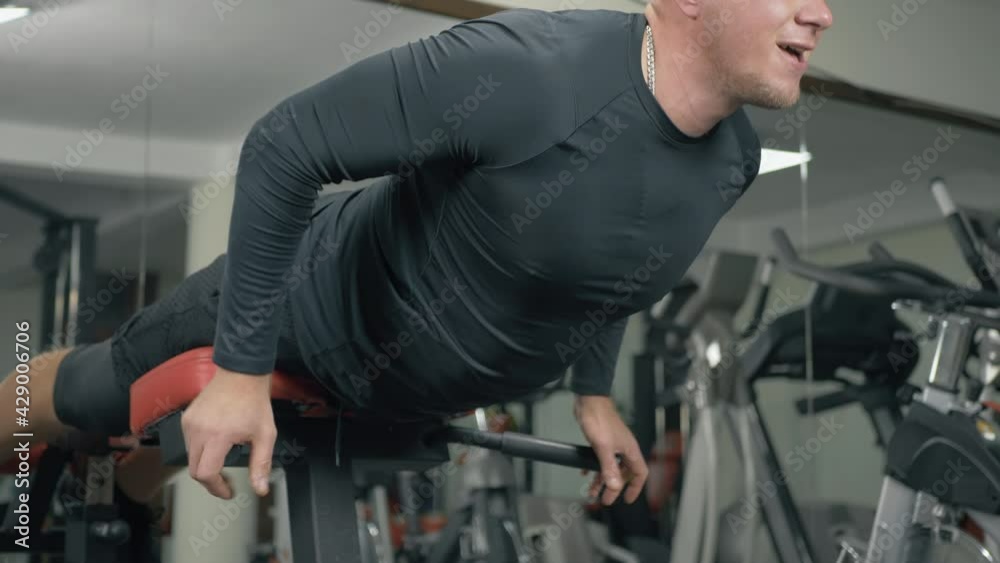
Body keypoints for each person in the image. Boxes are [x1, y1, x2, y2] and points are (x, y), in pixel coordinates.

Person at [1, 0, 832, 516]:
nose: (822, 13)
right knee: (94, 393)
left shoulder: (734, 159)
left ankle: (94, 501)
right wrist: (243, 369)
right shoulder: (527, 71)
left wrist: (593, 393)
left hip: (401, 389)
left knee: (124, 488)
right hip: (301, 314)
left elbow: (613, 271)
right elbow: (285, 146)